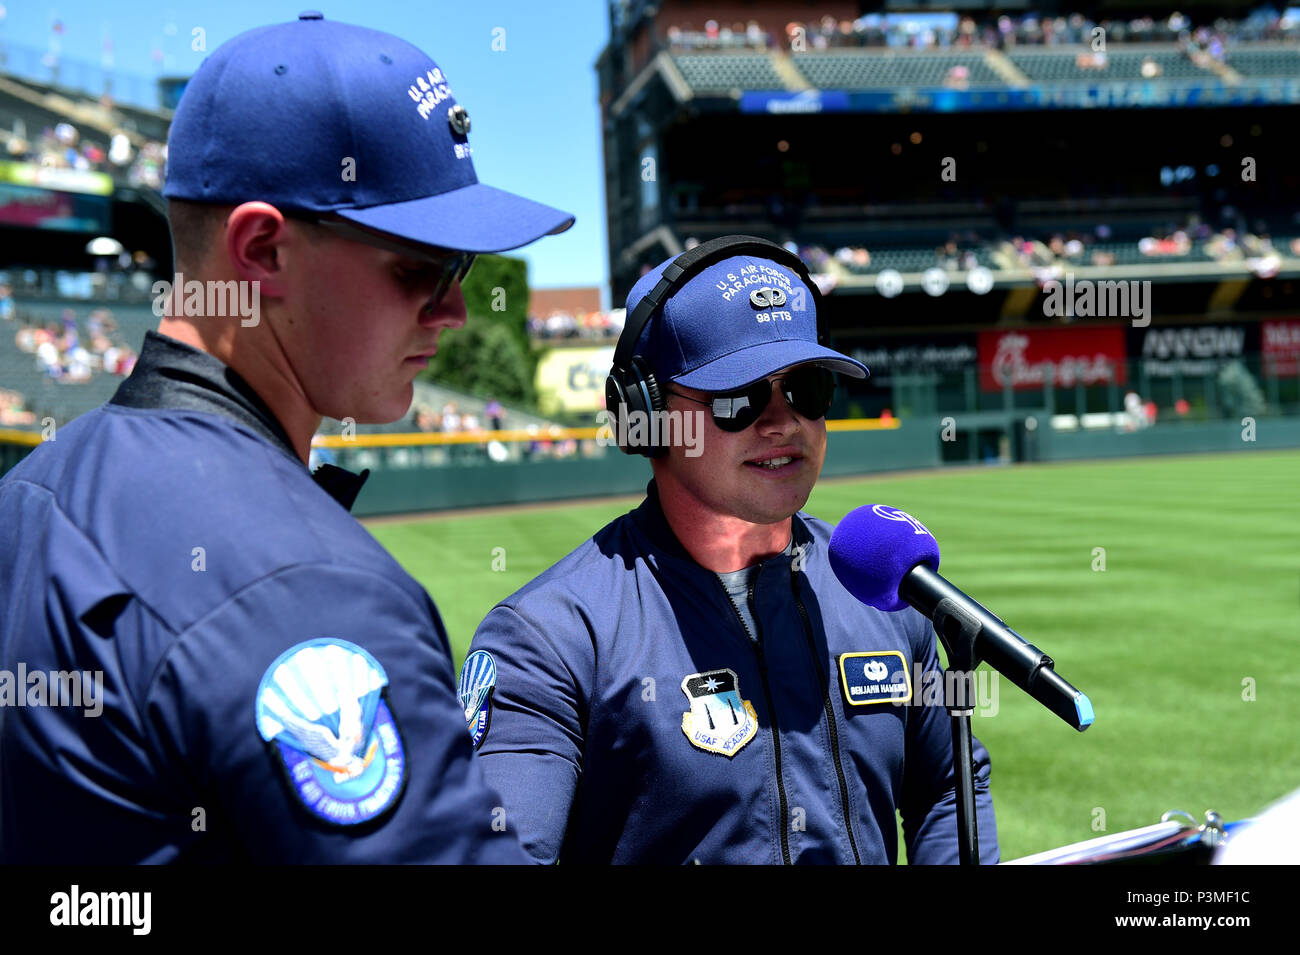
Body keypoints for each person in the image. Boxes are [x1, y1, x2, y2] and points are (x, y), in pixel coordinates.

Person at [0, 13, 573, 863]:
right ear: (262, 249)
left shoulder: (30, 492)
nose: (454, 309)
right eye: (424, 266)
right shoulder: (312, 586)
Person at [463, 236, 997, 864]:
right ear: (650, 412)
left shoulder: (886, 589)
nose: (782, 422)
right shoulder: (548, 639)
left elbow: (945, 787)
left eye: (806, 389)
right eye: (736, 399)